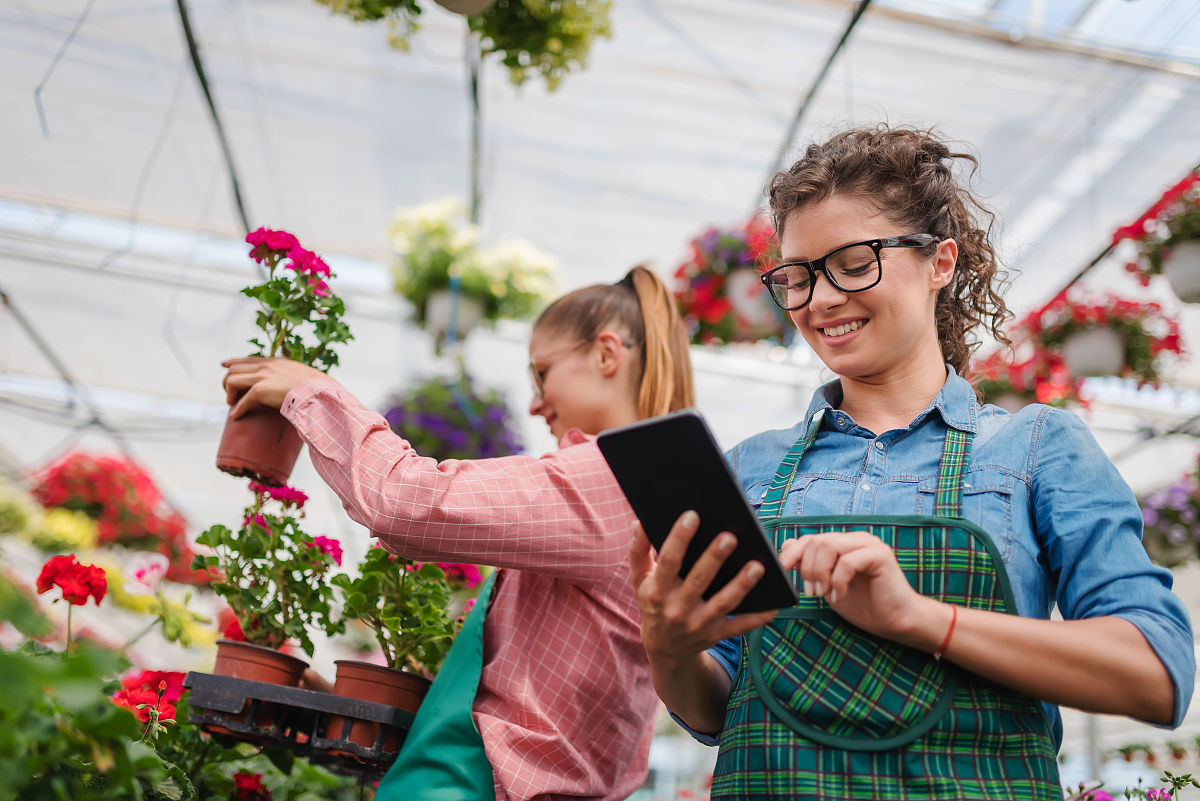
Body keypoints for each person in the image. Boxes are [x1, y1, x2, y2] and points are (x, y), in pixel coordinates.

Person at [629, 125, 1195, 800]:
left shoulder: (1037, 448)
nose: (820, 298)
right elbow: (717, 710)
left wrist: (920, 618)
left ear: (941, 262)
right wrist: (668, 646)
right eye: (797, 275)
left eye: (853, 262)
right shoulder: (748, 468)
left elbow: (1158, 674)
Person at [221, 265, 694, 801]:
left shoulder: (612, 480)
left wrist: (313, 392)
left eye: (542, 373)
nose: (536, 404)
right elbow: (515, 699)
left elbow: (409, 503)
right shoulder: (633, 488)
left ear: (607, 354)